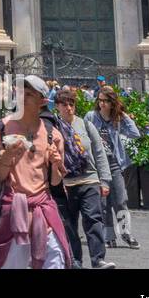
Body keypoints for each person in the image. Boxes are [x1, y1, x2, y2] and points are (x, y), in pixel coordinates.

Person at [0, 76, 71, 269]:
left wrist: (55, 163)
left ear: (43, 100)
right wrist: (7, 156)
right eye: (19, 92)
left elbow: (55, 182)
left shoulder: (53, 134)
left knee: (55, 261)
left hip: (44, 212)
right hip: (13, 214)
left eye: (29, 94)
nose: (21, 97)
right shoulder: (0, 129)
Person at [52, 88, 115, 269]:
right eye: (65, 105)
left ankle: (98, 260)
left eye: (72, 104)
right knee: (69, 225)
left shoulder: (85, 125)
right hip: (66, 184)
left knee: (93, 219)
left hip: (90, 181)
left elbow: (99, 152)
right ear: (57, 106)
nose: (69, 108)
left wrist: (105, 180)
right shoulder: (54, 128)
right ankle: (75, 261)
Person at [86, 86, 142, 250]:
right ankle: (108, 236)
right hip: (97, 164)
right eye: (100, 100)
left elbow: (135, 133)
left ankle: (126, 234)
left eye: (105, 101)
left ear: (112, 103)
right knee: (103, 203)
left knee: (120, 200)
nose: (102, 104)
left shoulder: (117, 119)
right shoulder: (91, 117)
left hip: (114, 163)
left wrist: (123, 115)